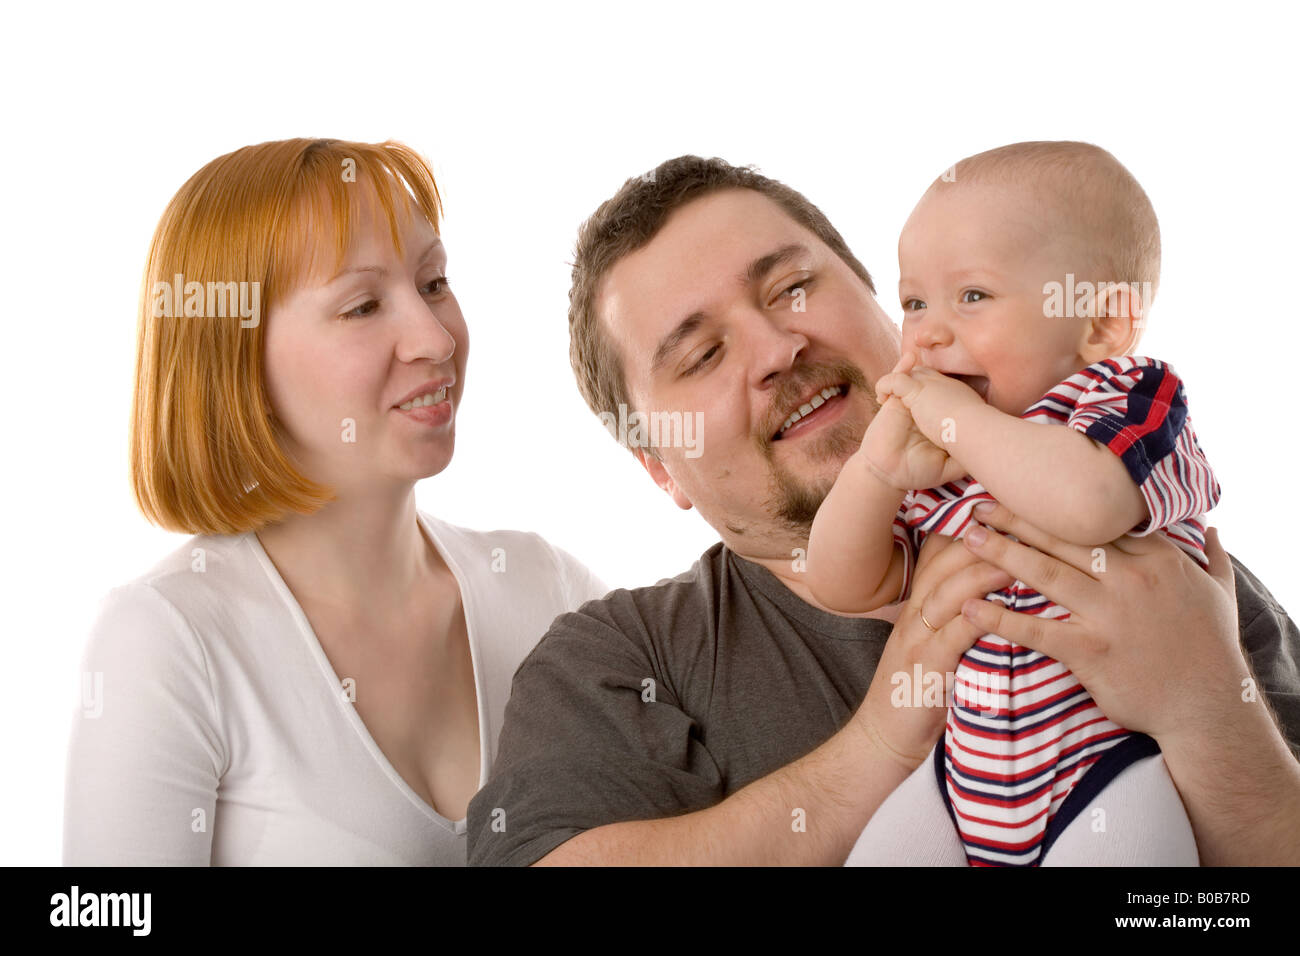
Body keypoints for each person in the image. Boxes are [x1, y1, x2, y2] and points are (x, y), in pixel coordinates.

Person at [466, 154, 1300, 866]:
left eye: (793, 289)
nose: (776, 349)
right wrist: (879, 744)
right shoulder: (622, 658)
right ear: (660, 467)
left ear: (879, 301)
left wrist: (1207, 715)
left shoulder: (1150, 560)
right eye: (704, 353)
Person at [62, 138, 608, 865]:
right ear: (234, 360)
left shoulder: (544, 585)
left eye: (434, 282)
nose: (433, 337)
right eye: (362, 306)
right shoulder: (167, 639)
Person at [806, 141, 1215, 866]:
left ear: (1102, 326)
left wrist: (962, 425)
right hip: (961, 788)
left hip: (1110, 777)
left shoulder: (1129, 398)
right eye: (913, 302)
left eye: (972, 296)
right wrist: (877, 469)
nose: (929, 331)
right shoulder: (947, 449)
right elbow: (841, 581)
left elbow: (1088, 503)